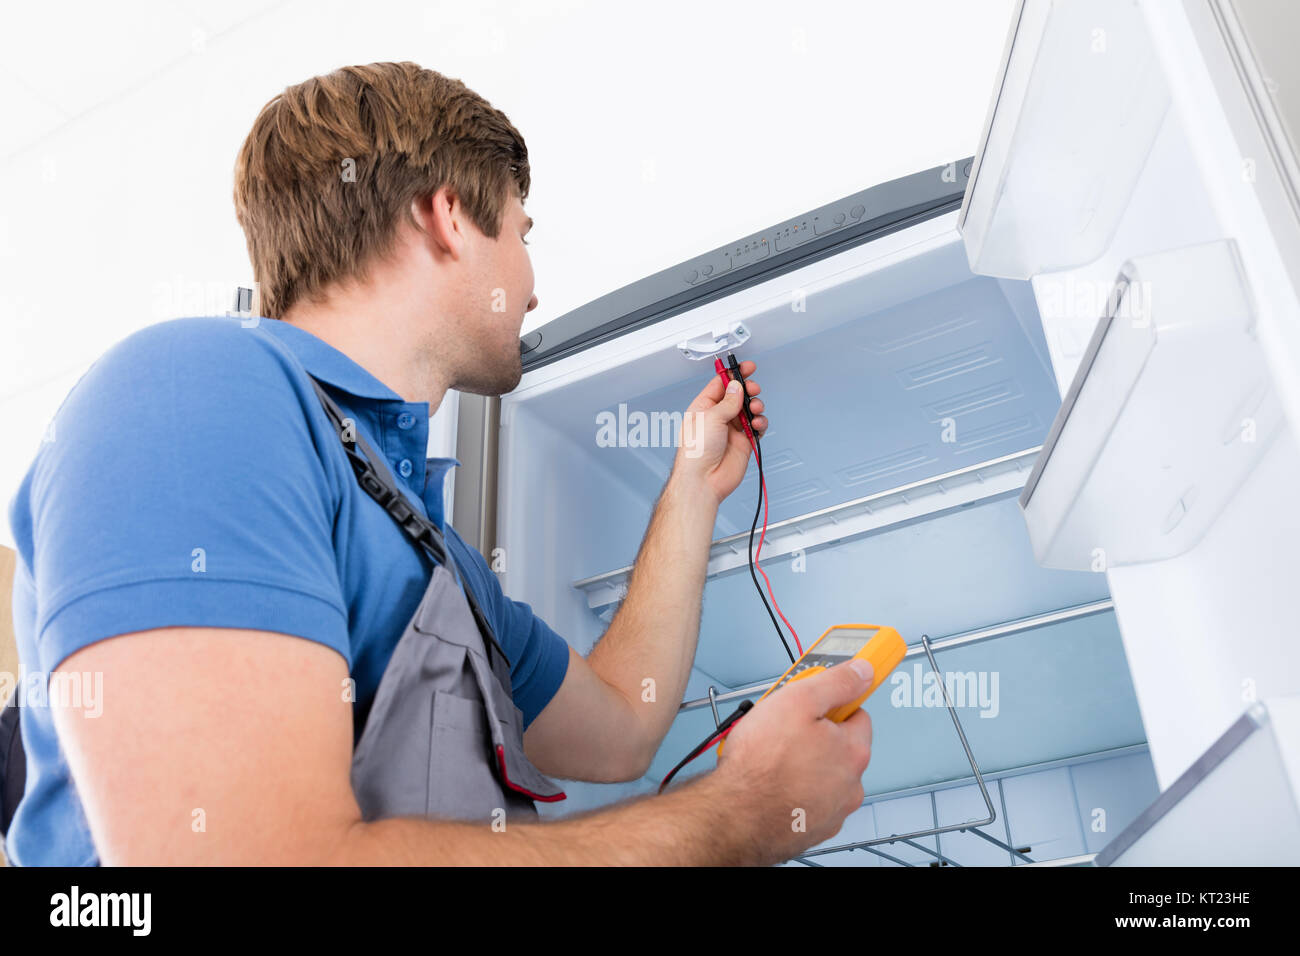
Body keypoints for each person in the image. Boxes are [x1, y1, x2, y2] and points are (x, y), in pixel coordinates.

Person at [4, 61, 873, 866]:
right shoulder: (195, 389)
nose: (533, 286)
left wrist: (691, 487)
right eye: (524, 233)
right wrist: (742, 810)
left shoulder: (437, 554)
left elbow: (622, 725)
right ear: (449, 215)